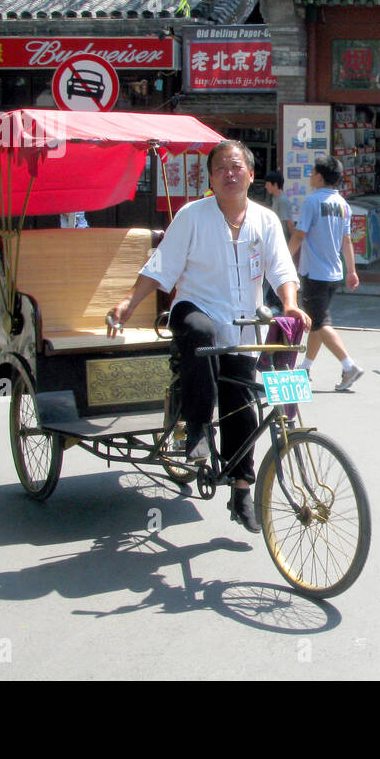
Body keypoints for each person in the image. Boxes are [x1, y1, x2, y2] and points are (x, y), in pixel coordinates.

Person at [107, 141, 309, 533]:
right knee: (201, 333)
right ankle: (197, 427)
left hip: (240, 322)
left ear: (252, 175)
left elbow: (282, 269)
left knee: (241, 399)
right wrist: (129, 303)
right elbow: (161, 267)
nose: (230, 174)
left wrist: (290, 305)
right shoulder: (191, 216)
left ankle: (241, 487)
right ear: (211, 179)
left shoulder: (265, 221)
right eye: (221, 169)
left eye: (237, 167)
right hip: (194, 309)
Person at [287, 155, 364, 391]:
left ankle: (349, 365)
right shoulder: (343, 204)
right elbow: (347, 241)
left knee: (319, 323)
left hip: (314, 273)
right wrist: (351, 270)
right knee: (317, 321)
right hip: (333, 273)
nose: (310, 176)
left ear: (320, 176)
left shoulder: (312, 202)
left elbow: (299, 235)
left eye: (312, 173)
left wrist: (282, 259)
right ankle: (306, 367)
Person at [262, 170, 294, 312]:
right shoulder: (275, 199)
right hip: (274, 241)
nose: (266, 186)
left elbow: (289, 223)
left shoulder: (283, 200)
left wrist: (293, 243)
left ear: (275, 184)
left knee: (276, 272)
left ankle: (277, 303)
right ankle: (274, 302)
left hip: (283, 242)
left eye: (268, 184)